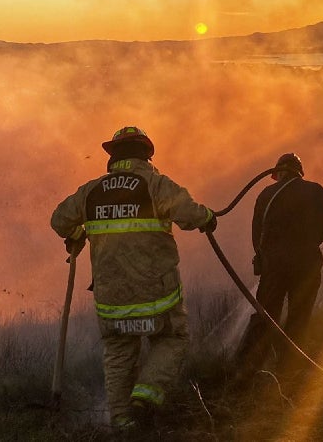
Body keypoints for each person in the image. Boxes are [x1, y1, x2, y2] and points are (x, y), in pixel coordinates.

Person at [50, 126, 217, 430]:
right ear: (146, 154)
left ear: (112, 157)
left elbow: (59, 220)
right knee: (172, 339)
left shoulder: (90, 191)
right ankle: (144, 397)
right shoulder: (156, 184)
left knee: (118, 355)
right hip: (157, 296)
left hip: (112, 299)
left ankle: (123, 423)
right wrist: (208, 217)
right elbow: (191, 215)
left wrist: (77, 234)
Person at [236, 152, 323, 375]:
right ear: (299, 171)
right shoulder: (316, 191)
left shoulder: (266, 195)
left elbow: (257, 234)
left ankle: (248, 368)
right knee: (299, 316)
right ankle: (288, 367)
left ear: (277, 174)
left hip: (274, 267)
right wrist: (303, 247)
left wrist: (268, 256)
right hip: (306, 264)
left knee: (266, 315)